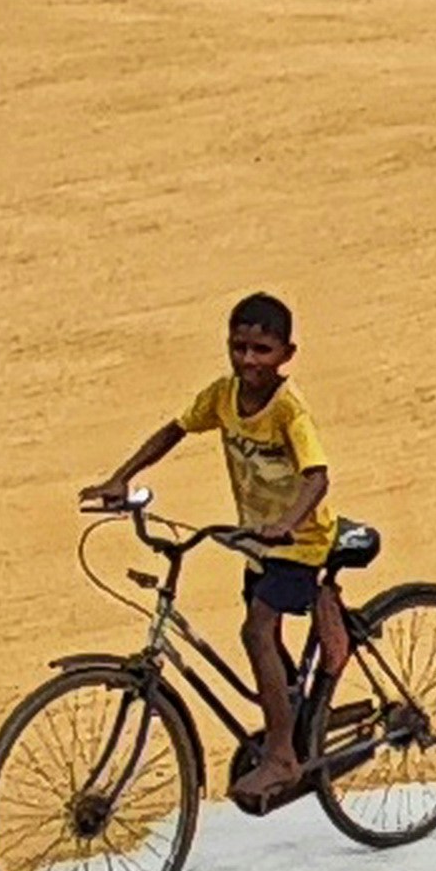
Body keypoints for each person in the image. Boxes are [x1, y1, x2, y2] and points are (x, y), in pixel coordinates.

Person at [85, 291, 347, 806]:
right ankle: (296, 715)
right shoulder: (222, 397)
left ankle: (282, 758)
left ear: (286, 355)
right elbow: (175, 429)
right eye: (239, 347)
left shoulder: (289, 411)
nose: (248, 360)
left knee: (256, 631)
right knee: (262, 633)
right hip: (257, 542)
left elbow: (317, 478)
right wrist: (122, 477)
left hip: (300, 542)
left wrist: (287, 524)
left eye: (262, 350)